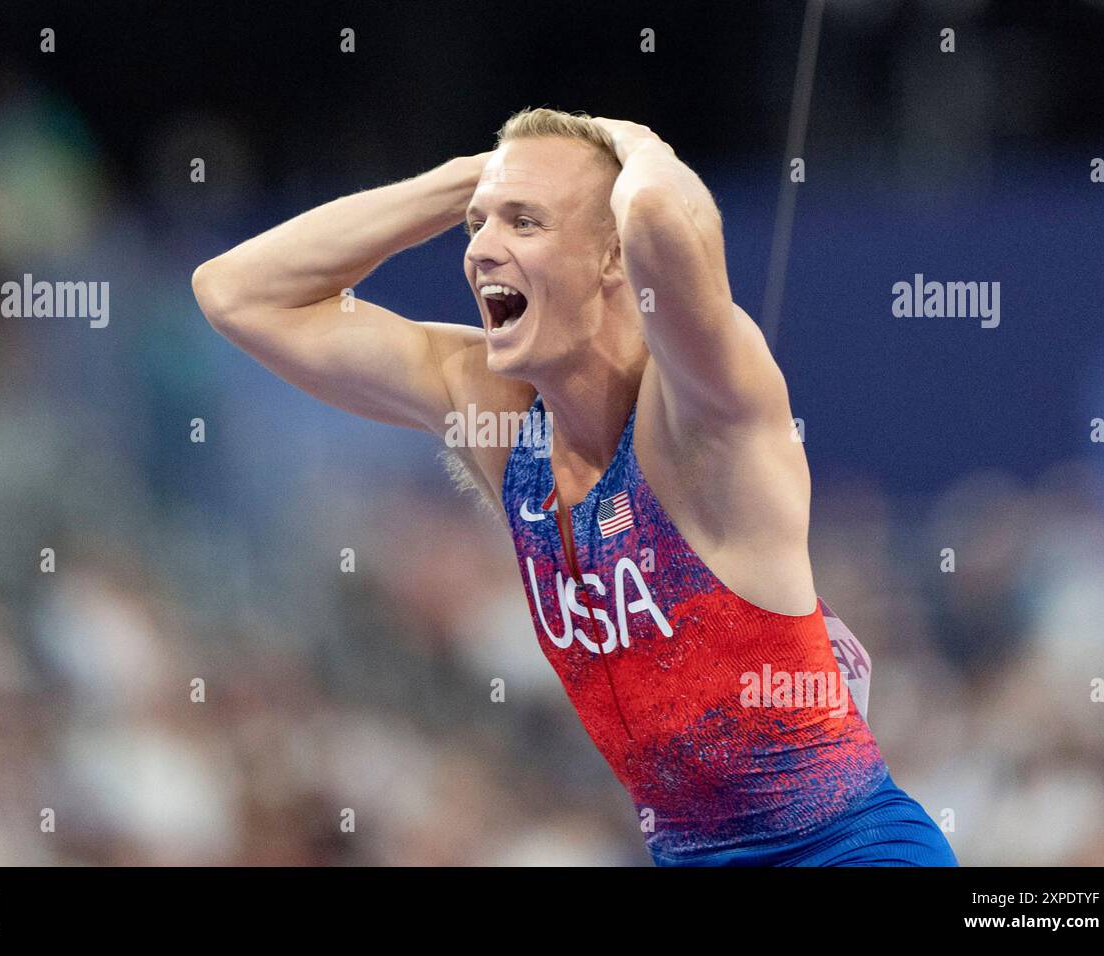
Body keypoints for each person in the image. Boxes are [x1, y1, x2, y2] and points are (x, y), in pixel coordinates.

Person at [191, 107, 957, 866]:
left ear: (612, 257)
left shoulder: (696, 411)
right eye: (475, 226)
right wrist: (468, 180)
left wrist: (634, 143)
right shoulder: (499, 422)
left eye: (524, 223)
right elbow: (236, 293)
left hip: (847, 852)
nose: (483, 250)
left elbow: (661, 214)